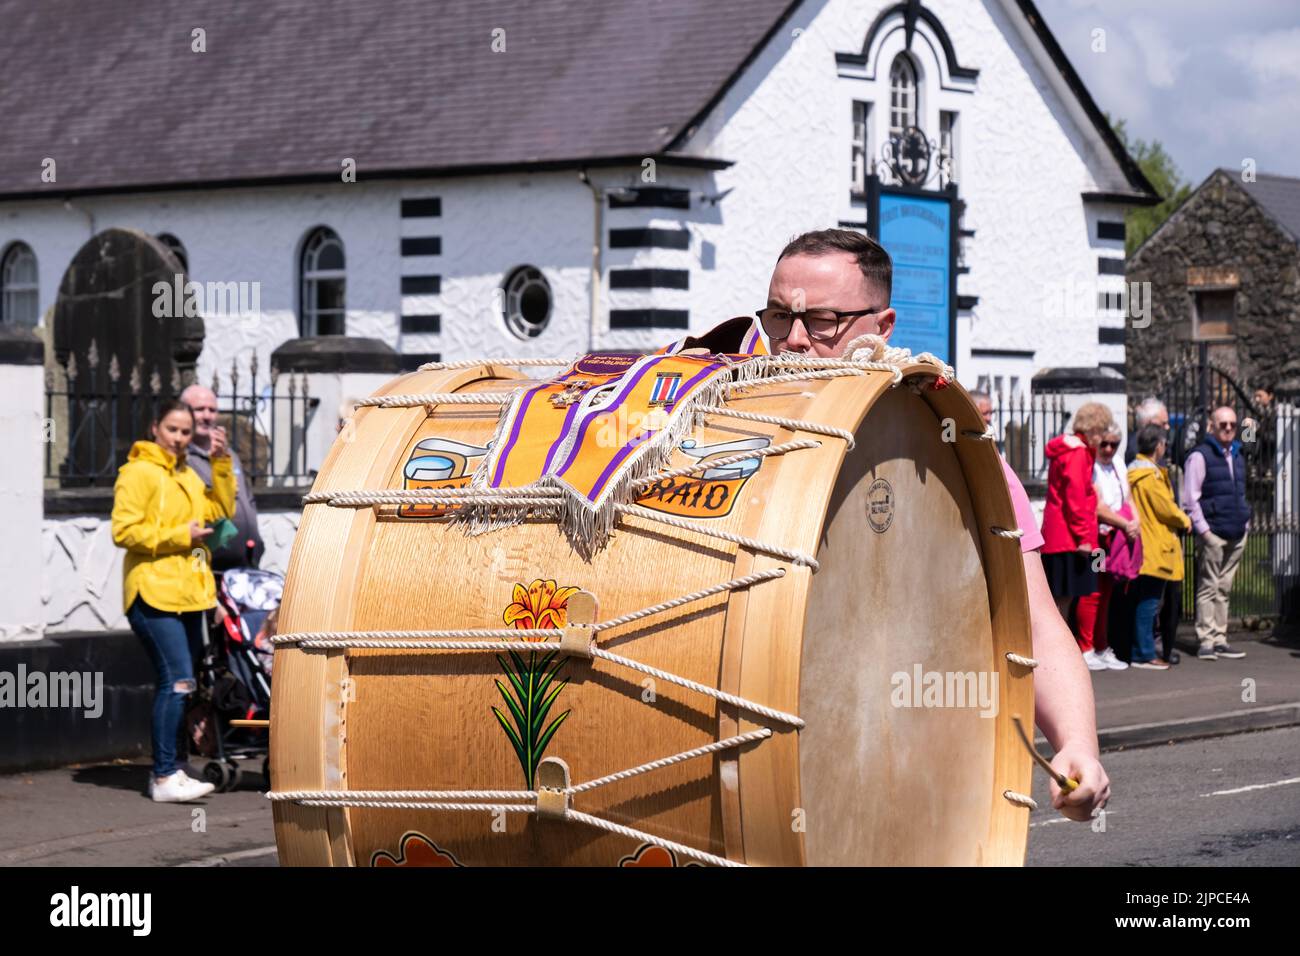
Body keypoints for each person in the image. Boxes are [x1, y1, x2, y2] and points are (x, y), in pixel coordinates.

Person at [758, 228, 1108, 821]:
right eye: (777, 318)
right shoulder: (726, 433)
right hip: (765, 776)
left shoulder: (961, 454)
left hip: (909, 782)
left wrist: (1078, 745)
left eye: (821, 322)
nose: (792, 341)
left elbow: (1038, 625)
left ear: (883, 325)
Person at [111, 399, 236, 801]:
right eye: (172, 430)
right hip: (153, 593)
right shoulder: (138, 472)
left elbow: (220, 512)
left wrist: (220, 464)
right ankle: (164, 776)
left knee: (184, 684)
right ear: (155, 428)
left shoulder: (186, 472)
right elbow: (123, 531)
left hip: (187, 594)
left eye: (185, 432)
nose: (180, 438)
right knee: (177, 680)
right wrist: (180, 535)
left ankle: (177, 769)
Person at [1182, 406, 1249, 661]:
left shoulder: (1238, 453)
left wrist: (1247, 522)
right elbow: (1190, 499)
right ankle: (1206, 640)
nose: (1229, 429)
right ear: (1212, 426)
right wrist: (1205, 531)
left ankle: (1220, 637)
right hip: (1214, 531)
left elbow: (1241, 490)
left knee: (1224, 587)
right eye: (1223, 424)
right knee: (1208, 586)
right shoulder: (1200, 456)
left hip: (1236, 530)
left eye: (1233, 424)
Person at [1041, 403, 1113, 627]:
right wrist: (1083, 538)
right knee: (1063, 602)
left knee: (1059, 601)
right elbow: (1076, 498)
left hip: (1058, 536)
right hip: (1069, 539)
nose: (1102, 438)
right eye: (1101, 431)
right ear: (1093, 428)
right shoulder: (1077, 453)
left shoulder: (1068, 450)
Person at [1127, 424, 1191, 670]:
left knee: (1145, 601)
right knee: (1150, 602)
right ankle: (1143, 653)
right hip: (1156, 544)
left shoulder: (1134, 471)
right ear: (1158, 446)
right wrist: (1185, 520)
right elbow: (1166, 509)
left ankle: (1140, 649)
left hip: (1145, 542)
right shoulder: (1151, 476)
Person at [180, 384, 264, 570]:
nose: (207, 415)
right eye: (199, 409)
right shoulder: (181, 458)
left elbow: (245, 497)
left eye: (212, 410)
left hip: (244, 560)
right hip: (205, 560)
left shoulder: (229, 454)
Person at [1074, 427, 1136, 670]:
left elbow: (1129, 498)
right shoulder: (1091, 467)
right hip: (1098, 535)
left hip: (1116, 535)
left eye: (1114, 444)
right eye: (1105, 445)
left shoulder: (1118, 465)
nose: (1109, 449)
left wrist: (1135, 522)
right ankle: (1086, 646)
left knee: (1108, 591)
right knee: (1093, 591)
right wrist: (1125, 523)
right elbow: (1097, 506)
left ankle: (1101, 645)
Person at [1125, 397, 1167, 466]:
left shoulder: (1155, 442)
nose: (1167, 427)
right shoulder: (1136, 448)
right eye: (1163, 423)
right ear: (1150, 423)